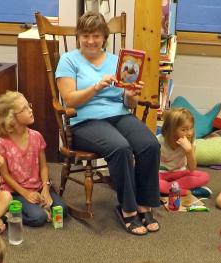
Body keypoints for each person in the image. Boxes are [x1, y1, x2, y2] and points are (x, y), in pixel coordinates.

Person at [55, 11, 161, 236]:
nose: (91, 41)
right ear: (78, 37)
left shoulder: (117, 61)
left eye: (96, 36)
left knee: (150, 144)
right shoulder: (68, 60)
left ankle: (144, 203)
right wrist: (96, 87)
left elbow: (127, 102)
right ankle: (128, 209)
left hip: (119, 114)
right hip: (84, 120)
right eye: (85, 36)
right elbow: (70, 99)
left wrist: (131, 94)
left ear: (104, 37)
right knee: (120, 147)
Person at [0, 91, 68, 227]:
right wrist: (26, 194)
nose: (31, 110)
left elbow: (43, 166)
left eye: (29, 106)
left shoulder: (36, 136)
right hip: (16, 191)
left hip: (38, 186)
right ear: (11, 118)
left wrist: (45, 188)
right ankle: (9, 213)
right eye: (24, 109)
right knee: (38, 218)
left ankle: (38, 205)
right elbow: (5, 175)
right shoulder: (1, 143)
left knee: (62, 210)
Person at [157, 108, 211, 198]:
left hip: (179, 174)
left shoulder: (190, 142)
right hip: (161, 174)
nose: (189, 133)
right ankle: (189, 192)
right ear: (172, 130)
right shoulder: (159, 141)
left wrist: (189, 151)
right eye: (184, 130)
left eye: (191, 128)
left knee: (205, 176)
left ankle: (167, 190)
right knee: (154, 182)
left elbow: (192, 168)